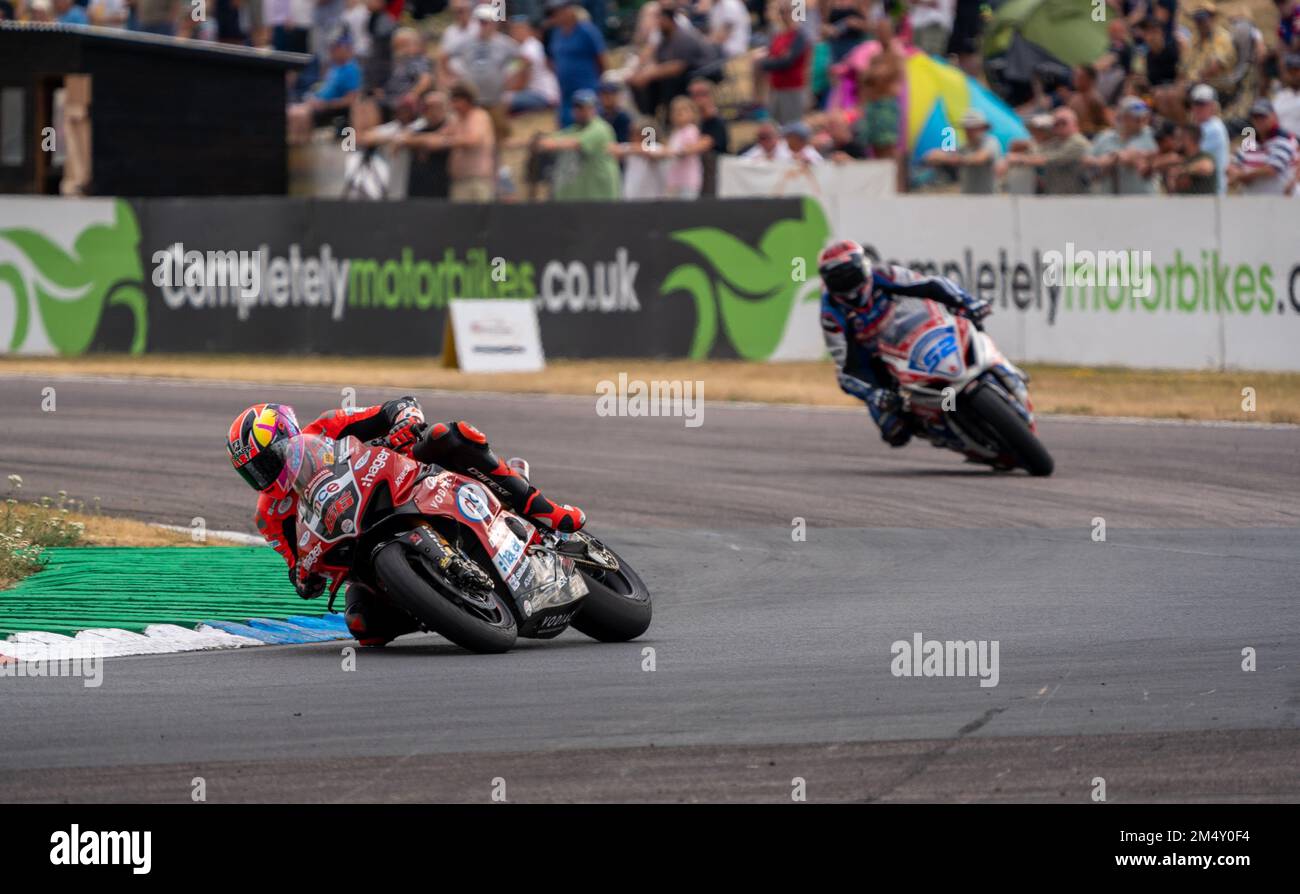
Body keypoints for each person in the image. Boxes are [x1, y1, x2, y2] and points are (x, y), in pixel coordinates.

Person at [225, 400, 586, 646]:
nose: (267, 473)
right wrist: (305, 579)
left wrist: (404, 423)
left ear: (290, 434)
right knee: (363, 627)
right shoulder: (269, 515)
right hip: (360, 546)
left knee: (449, 436)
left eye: (270, 459)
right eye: (254, 470)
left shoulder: (328, 426)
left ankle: (543, 510)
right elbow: (297, 569)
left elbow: (397, 406)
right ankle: (438, 605)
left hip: (405, 481)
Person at [817, 240, 991, 447]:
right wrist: (872, 393)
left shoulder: (883, 274)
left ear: (863, 268)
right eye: (839, 282)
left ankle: (999, 372)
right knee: (895, 432)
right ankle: (939, 427)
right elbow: (844, 368)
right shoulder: (831, 313)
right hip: (877, 359)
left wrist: (968, 301)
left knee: (973, 323)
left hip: (917, 332)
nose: (849, 288)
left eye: (851, 276)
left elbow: (931, 284)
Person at [536, 88, 621, 200]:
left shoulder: (600, 128)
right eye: (577, 107)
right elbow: (555, 138)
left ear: (594, 109)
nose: (581, 111)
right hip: (581, 197)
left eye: (585, 107)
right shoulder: (574, 129)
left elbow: (576, 143)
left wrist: (548, 143)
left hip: (600, 196)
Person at [1228, 98, 1299, 195]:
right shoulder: (1249, 143)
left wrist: (1243, 175)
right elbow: (1234, 166)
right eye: (1256, 117)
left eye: (1263, 116)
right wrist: (1235, 172)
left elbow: (1272, 169)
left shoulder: (1285, 139)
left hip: (1282, 201)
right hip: (1254, 201)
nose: (1259, 120)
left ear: (1274, 117)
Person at [921, 107, 1000, 193]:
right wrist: (940, 157)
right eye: (967, 129)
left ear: (982, 128)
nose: (969, 132)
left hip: (987, 197)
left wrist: (953, 159)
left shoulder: (990, 142)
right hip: (968, 197)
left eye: (973, 128)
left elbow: (980, 158)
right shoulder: (965, 147)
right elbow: (932, 156)